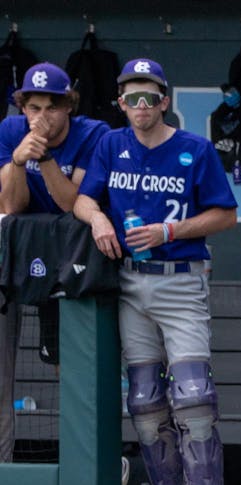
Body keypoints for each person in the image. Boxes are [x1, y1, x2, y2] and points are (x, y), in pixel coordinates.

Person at [73, 58, 238, 485]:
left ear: (165, 102)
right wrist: (98, 218)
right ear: (120, 103)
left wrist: (171, 229)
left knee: (193, 393)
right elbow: (84, 197)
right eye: (131, 98)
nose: (141, 106)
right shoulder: (110, 143)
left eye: (150, 97)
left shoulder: (195, 148)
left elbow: (225, 214)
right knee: (144, 398)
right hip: (128, 279)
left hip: (181, 276)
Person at [0, 63, 109, 462]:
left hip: (73, 255)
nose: (41, 118)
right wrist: (16, 162)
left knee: (66, 361)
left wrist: (42, 159)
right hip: (19, 253)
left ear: (68, 107)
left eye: (51, 107)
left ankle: (86, 464)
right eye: (33, 108)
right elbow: (10, 206)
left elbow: (70, 203)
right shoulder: (10, 132)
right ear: (22, 108)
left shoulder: (92, 133)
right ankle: (2, 469)